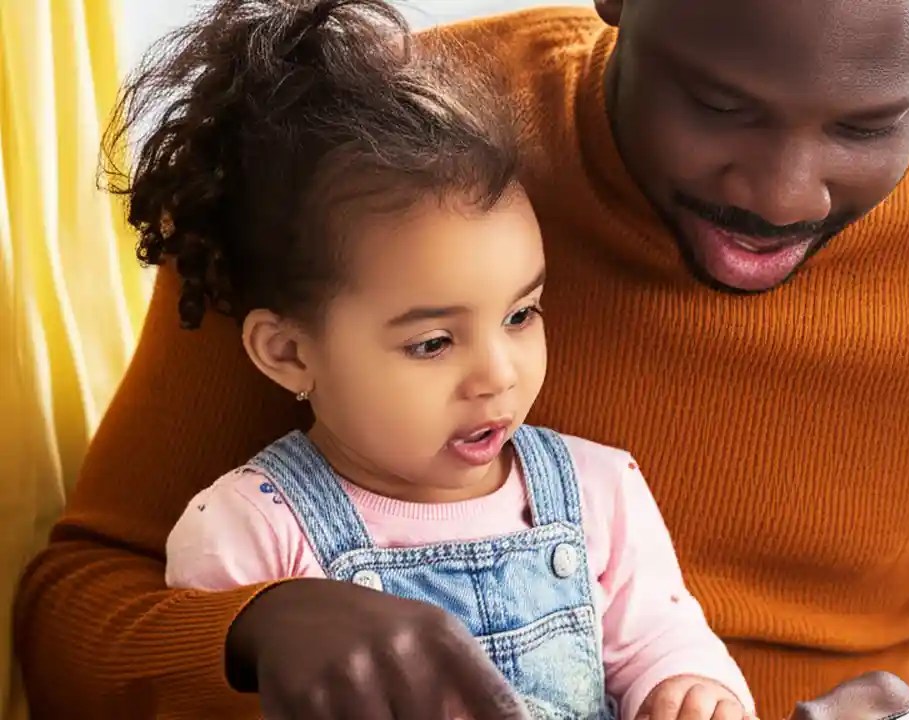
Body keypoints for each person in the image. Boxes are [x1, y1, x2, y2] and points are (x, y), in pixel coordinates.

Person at [15, 0, 909, 718]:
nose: (779, 193)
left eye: (871, 123)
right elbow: (76, 613)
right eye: (718, 106)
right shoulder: (357, 172)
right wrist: (251, 632)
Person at [101, 2, 756, 719]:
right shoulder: (248, 531)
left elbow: (662, 640)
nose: (498, 376)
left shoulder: (599, 492)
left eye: (520, 315)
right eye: (433, 343)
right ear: (288, 353)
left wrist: (688, 690)